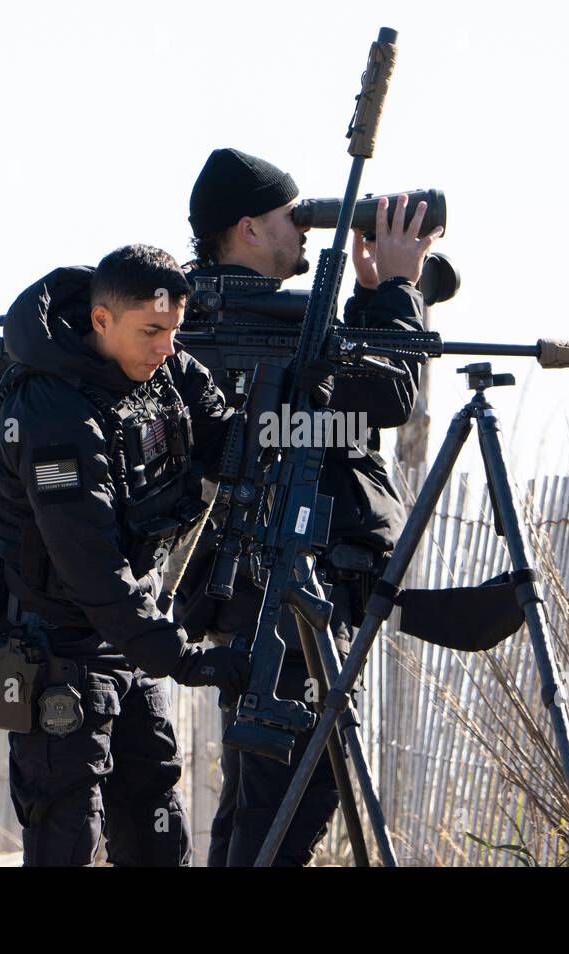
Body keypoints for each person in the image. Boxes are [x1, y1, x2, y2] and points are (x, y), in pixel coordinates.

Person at [179, 147, 443, 866]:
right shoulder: (271, 325)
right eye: (290, 217)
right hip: (286, 595)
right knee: (292, 794)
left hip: (244, 593)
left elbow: (336, 403)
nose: (305, 232)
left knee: (256, 799)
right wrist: (395, 287)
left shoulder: (204, 315)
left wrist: (365, 302)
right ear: (249, 229)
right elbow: (390, 395)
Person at [0, 243, 251, 866]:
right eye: (152, 331)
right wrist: (181, 658)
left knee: (155, 837)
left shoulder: (162, 370)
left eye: (174, 331)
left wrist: (300, 399)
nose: (166, 347)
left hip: (130, 643)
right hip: (60, 650)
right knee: (67, 838)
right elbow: (90, 564)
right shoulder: (51, 410)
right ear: (101, 321)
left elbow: (230, 441)